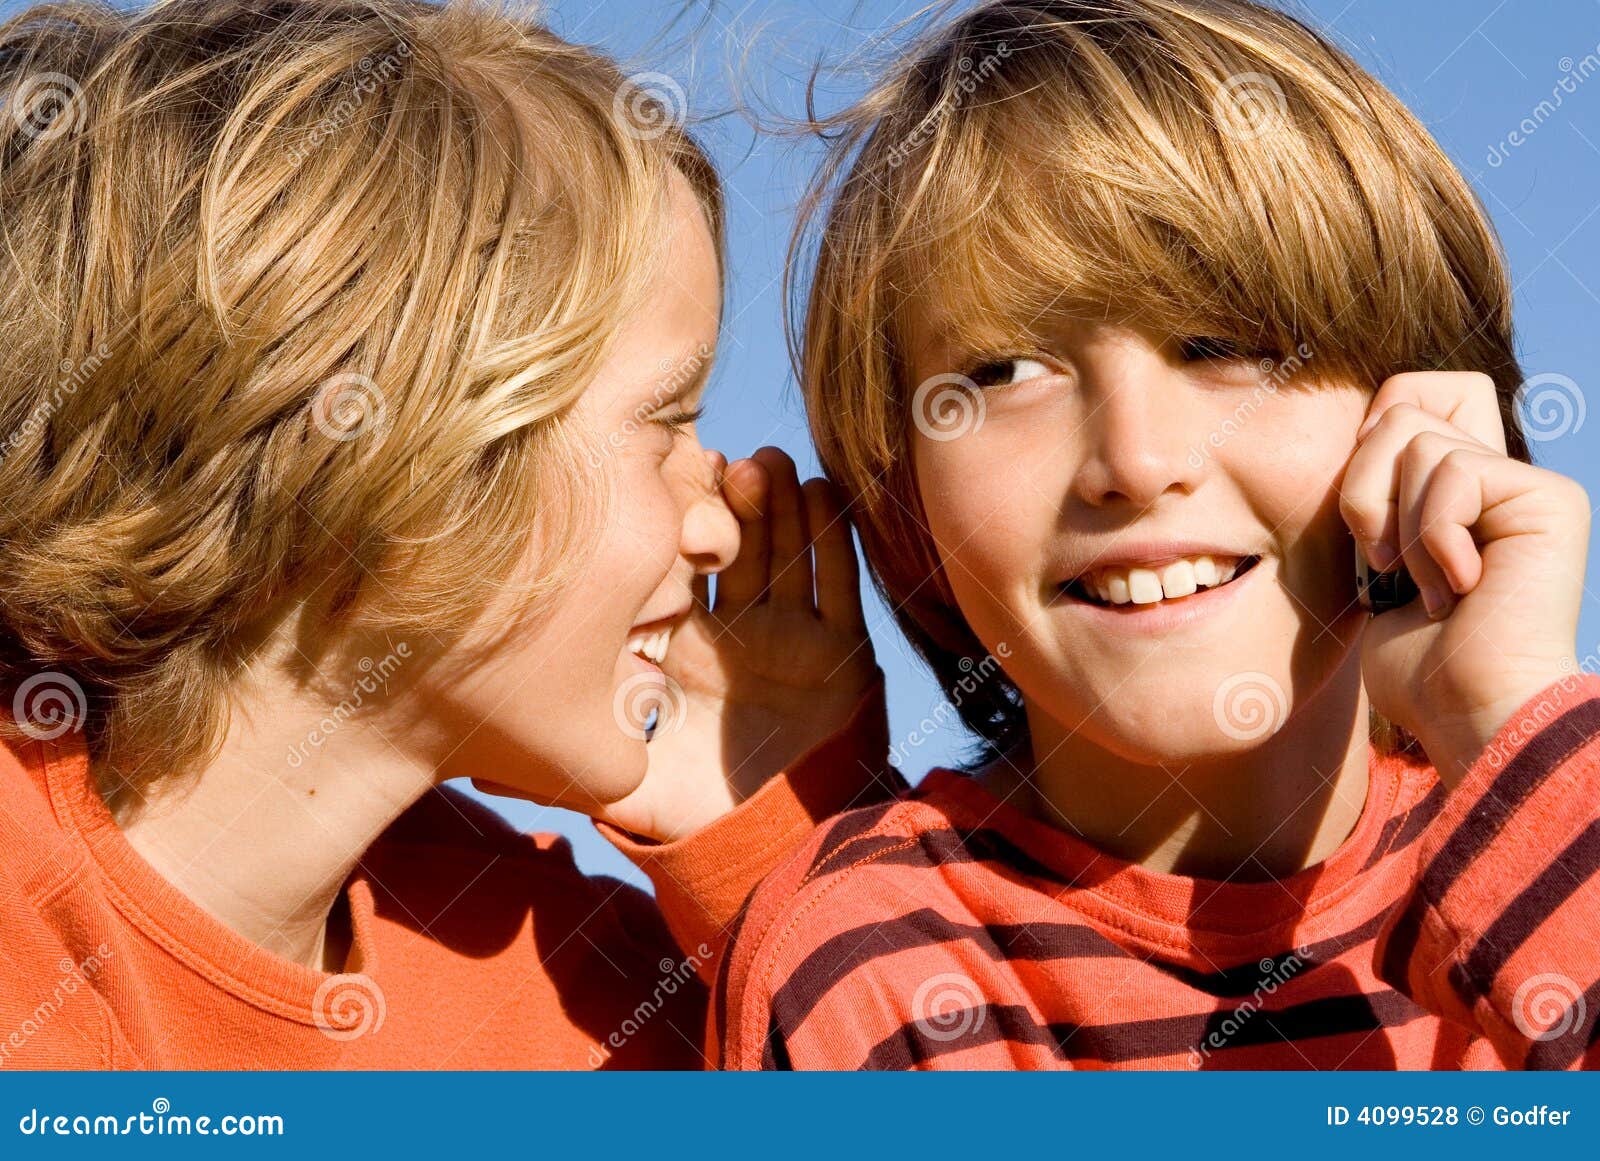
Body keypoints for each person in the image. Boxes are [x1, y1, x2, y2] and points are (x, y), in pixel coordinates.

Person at [0, 0, 887, 1069]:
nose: (717, 526)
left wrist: (772, 854)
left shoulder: (588, 1006)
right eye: (665, 422)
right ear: (387, 449)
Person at [715, 0, 1599, 1069]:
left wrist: (1501, 720)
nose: (1133, 460)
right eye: (1001, 373)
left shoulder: (1566, 843)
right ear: (906, 506)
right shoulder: (876, 966)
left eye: (1223, 341)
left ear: (1421, 407)